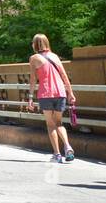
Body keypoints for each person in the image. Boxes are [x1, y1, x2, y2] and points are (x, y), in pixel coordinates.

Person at [26, 33, 76, 163]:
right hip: (60, 92)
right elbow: (64, 76)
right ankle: (68, 146)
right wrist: (70, 93)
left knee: (50, 124)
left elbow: (33, 79)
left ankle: (57, 154)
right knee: (59, 123)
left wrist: (30, 97)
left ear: (35, 44)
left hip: (46, 93)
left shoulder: (34, 58)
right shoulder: (54, 56)